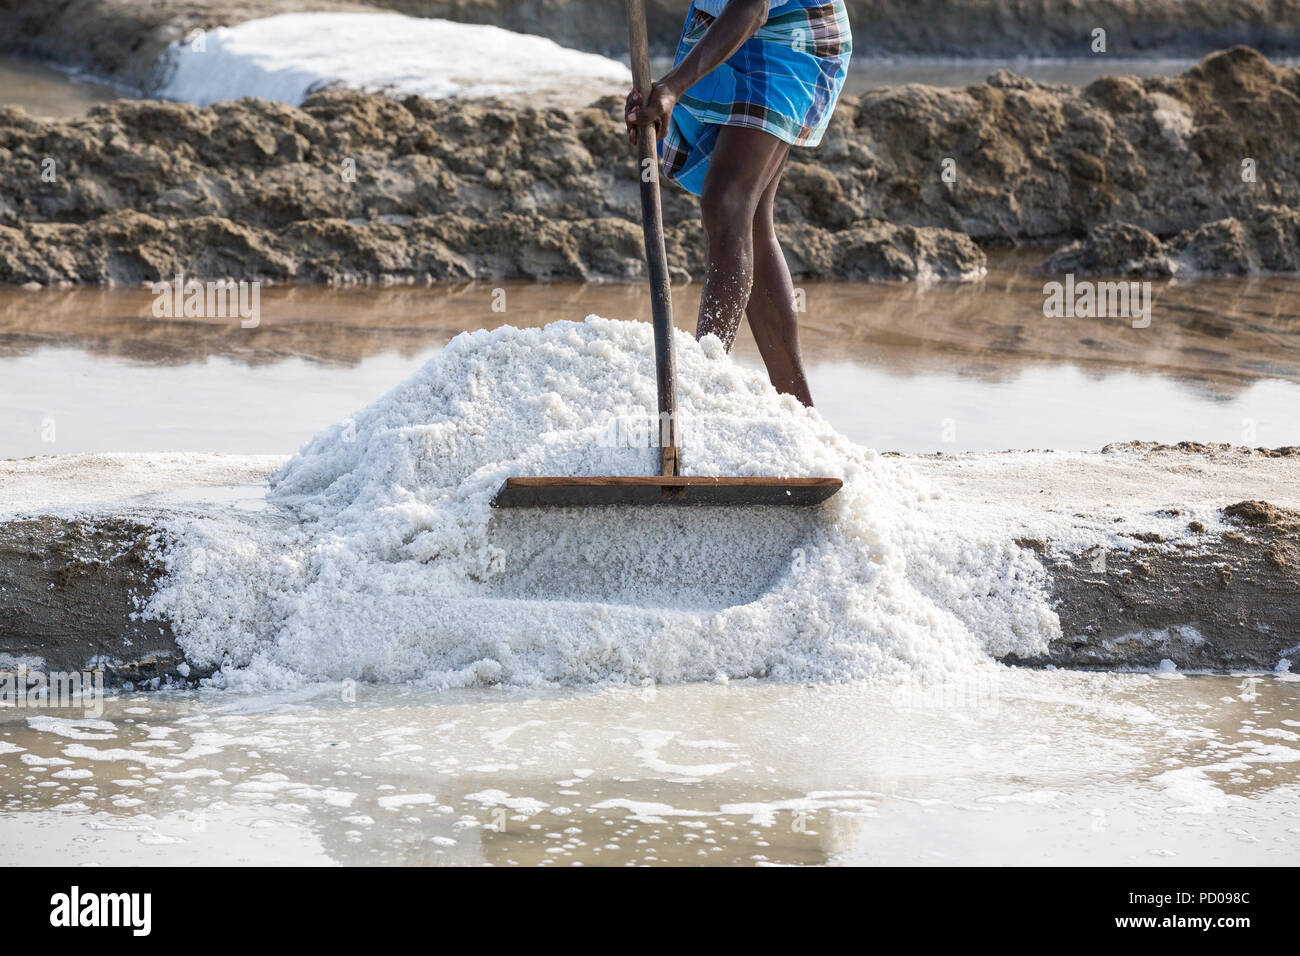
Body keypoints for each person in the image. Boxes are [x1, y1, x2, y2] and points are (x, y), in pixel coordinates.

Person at [625, 0, 852, 406]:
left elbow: (753, 6)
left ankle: (704, 382)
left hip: (791, 35)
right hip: (725, 27)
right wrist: (655, 95)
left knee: (727, 201)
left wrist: (674, 88)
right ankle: (800, 411)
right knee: (750, 219)